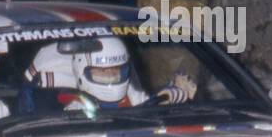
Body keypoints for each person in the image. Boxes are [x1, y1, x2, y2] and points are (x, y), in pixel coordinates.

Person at [20, 38, 197, 112]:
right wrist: (162, 98)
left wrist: (172, 93)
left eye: (116, 69)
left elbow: (145, 105)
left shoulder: (129, 92)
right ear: (81, 70)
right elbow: (117, 121)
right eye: (103, 71)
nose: (111, 74)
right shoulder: (73, 104)